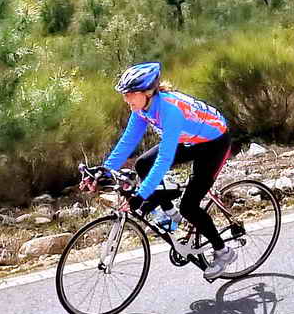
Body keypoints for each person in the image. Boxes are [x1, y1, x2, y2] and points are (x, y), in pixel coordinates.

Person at [88, 62, 239, 280]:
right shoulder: (141, 109)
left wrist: (142, 195)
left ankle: (223, 252)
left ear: (147, 92)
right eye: (124, 94)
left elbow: (165, 158)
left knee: (190, 206)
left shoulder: (170, 110)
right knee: (141, 164)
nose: (126, 99)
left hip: (213, 143)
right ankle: (170, 212)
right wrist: (105, 170)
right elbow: (127, 142)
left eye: (130, 94)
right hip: (189, 140)